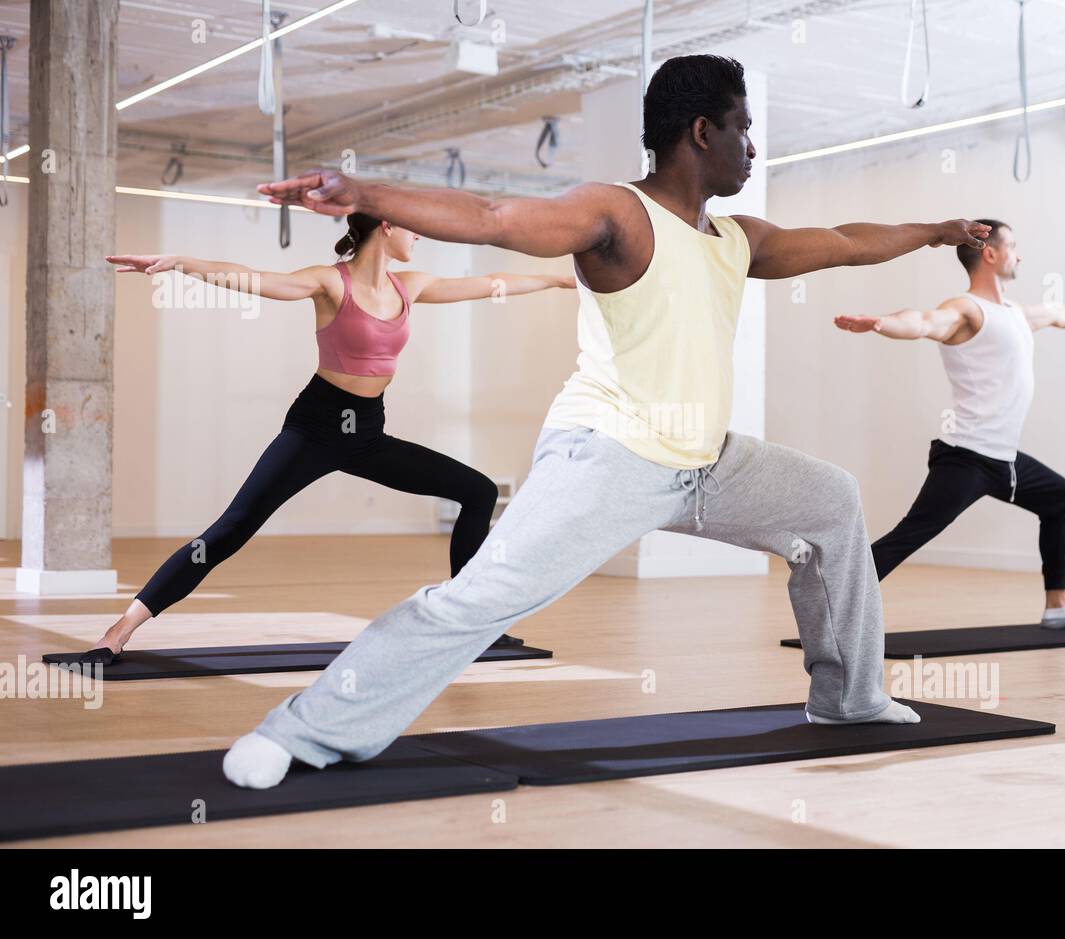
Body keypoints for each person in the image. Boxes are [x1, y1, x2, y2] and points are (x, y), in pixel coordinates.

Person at [223, 54, 991, 789]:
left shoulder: (735, 238)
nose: (753, 147)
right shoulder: (617, 212)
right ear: (700, 132)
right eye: (743, 128)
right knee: (478, 598)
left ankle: (849, 698)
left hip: (708, 464)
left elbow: (846, 244)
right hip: (608, 455)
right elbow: (494, 215)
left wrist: (936, 231)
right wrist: (368, 193)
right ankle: (299, 733)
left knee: (831, 501)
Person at [85, 215, 573, 661]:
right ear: (385, 226)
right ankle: (120, 630)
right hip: (314, 430)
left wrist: (557, 278)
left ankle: (470, 622)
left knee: (479, 491)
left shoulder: (411, 286)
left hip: (367, 433)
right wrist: (180, 264)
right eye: (413, 227)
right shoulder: (328, 283)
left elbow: (492, 285)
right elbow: (254, 279)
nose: (420, 234)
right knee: (233, 527)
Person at [833, 219, 1065, 628]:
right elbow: (924, 322)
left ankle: (1058, 608)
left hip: (1005, 461)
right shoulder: (966, 310)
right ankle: (829, 607)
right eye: (1013, 246)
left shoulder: (1014, 313)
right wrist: (881, 323)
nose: (1019, 255)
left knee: (1059, 498)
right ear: (990, 253)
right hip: (966, 457)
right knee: (910, 534)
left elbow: (1055, 314)